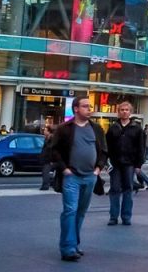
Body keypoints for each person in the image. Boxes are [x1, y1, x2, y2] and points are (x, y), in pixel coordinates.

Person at [49, 96, 108, 262]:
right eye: (85, 106)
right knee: (70, 210)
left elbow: (103, 151)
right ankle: (67, 248)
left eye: (90, 106)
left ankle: (74, 243)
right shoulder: (65, 129)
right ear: (76, 109)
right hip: (72, 176)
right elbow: (54, 150)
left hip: (90, 177)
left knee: (80, 212)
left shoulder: (96, 129)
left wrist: (98, 169)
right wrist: (65, 169)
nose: (89, 109)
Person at [105, 101, 144, 225]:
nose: (124, 112)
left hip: (130, 163)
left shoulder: (137, 128)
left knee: (128, 189)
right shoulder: (112, 128)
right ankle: (113, 216)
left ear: (130, 112)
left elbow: (141, 147)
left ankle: (126, 216)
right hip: (115, 163)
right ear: (118, 112)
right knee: (115, 189)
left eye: (127, 110)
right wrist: (106, 163)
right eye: (122, 110)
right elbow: (107, 146)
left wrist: (139, 165)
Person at [40, 125, 55, 191]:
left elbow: (52, 149)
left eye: (45, 130)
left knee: (45, 172)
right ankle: (52, 183)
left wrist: (52, 159)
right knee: (47, 172)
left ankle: (45, 186)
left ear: (49, 131)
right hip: (46, 158)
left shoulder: (51, 139)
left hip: (49, 159)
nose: (44, 131)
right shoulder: (47, 138)